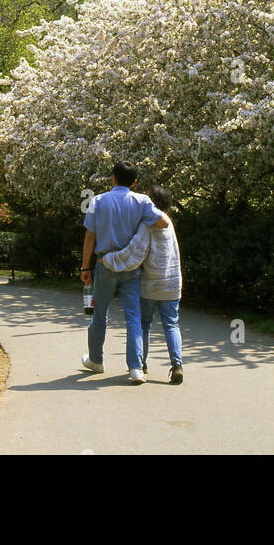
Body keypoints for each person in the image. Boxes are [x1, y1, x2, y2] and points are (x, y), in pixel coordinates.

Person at [80, 162, 171, 384]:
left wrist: (85, 267)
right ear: (134, 182)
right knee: (133, 316)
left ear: (113, 178)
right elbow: (164, 222)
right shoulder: (142, 201)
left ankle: (96, 360)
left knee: (100, 314)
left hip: (105, 263)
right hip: (131, 265)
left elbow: (90, 237)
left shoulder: (98, 201)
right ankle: (136, 367)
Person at [103, 185, 183, 384]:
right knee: (171, 324)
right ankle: (177, 365)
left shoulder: (147, 225)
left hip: (150, 284)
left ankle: (141, 364)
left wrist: (108, 259)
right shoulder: (168, 222)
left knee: (144, 325)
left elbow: (135, 253)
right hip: (172, 282)